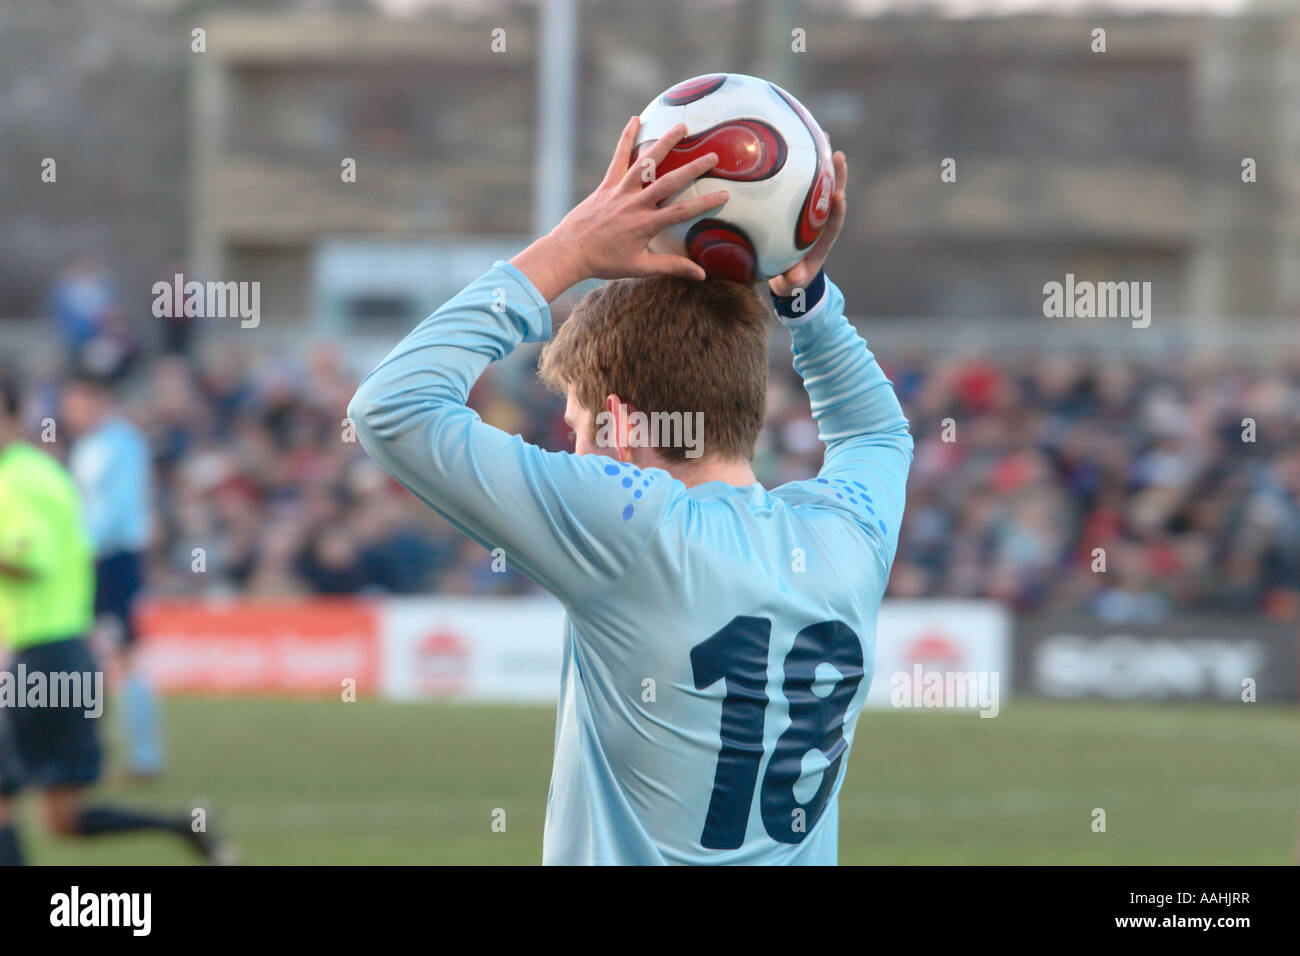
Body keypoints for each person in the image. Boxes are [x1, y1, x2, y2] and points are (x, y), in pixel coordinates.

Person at [349, 119, 912, 864]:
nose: (573, 451)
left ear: (619, 424)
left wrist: (568, 252)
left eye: (578, 426)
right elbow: (878, 438)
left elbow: (391, 408)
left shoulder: (631, 529)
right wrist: (806, 303)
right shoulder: (846, 540)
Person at [0, 373, 233, 865]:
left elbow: (28, 558)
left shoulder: (19, 479)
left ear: (13, 418)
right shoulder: (46, 471)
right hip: (63, 659)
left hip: (40, 663)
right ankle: (182, 826)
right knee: (61, 819)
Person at [63, 373, 163, 777]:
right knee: (90, 656)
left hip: (111, 560)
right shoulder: (88, 445)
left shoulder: (121, 444)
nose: (70, 412)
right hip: (91, 560)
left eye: (77, 402)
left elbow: (113, 514)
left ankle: (143, 757)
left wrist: (75, 550)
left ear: (98, 400)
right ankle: (96, 751)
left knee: (124, 656)